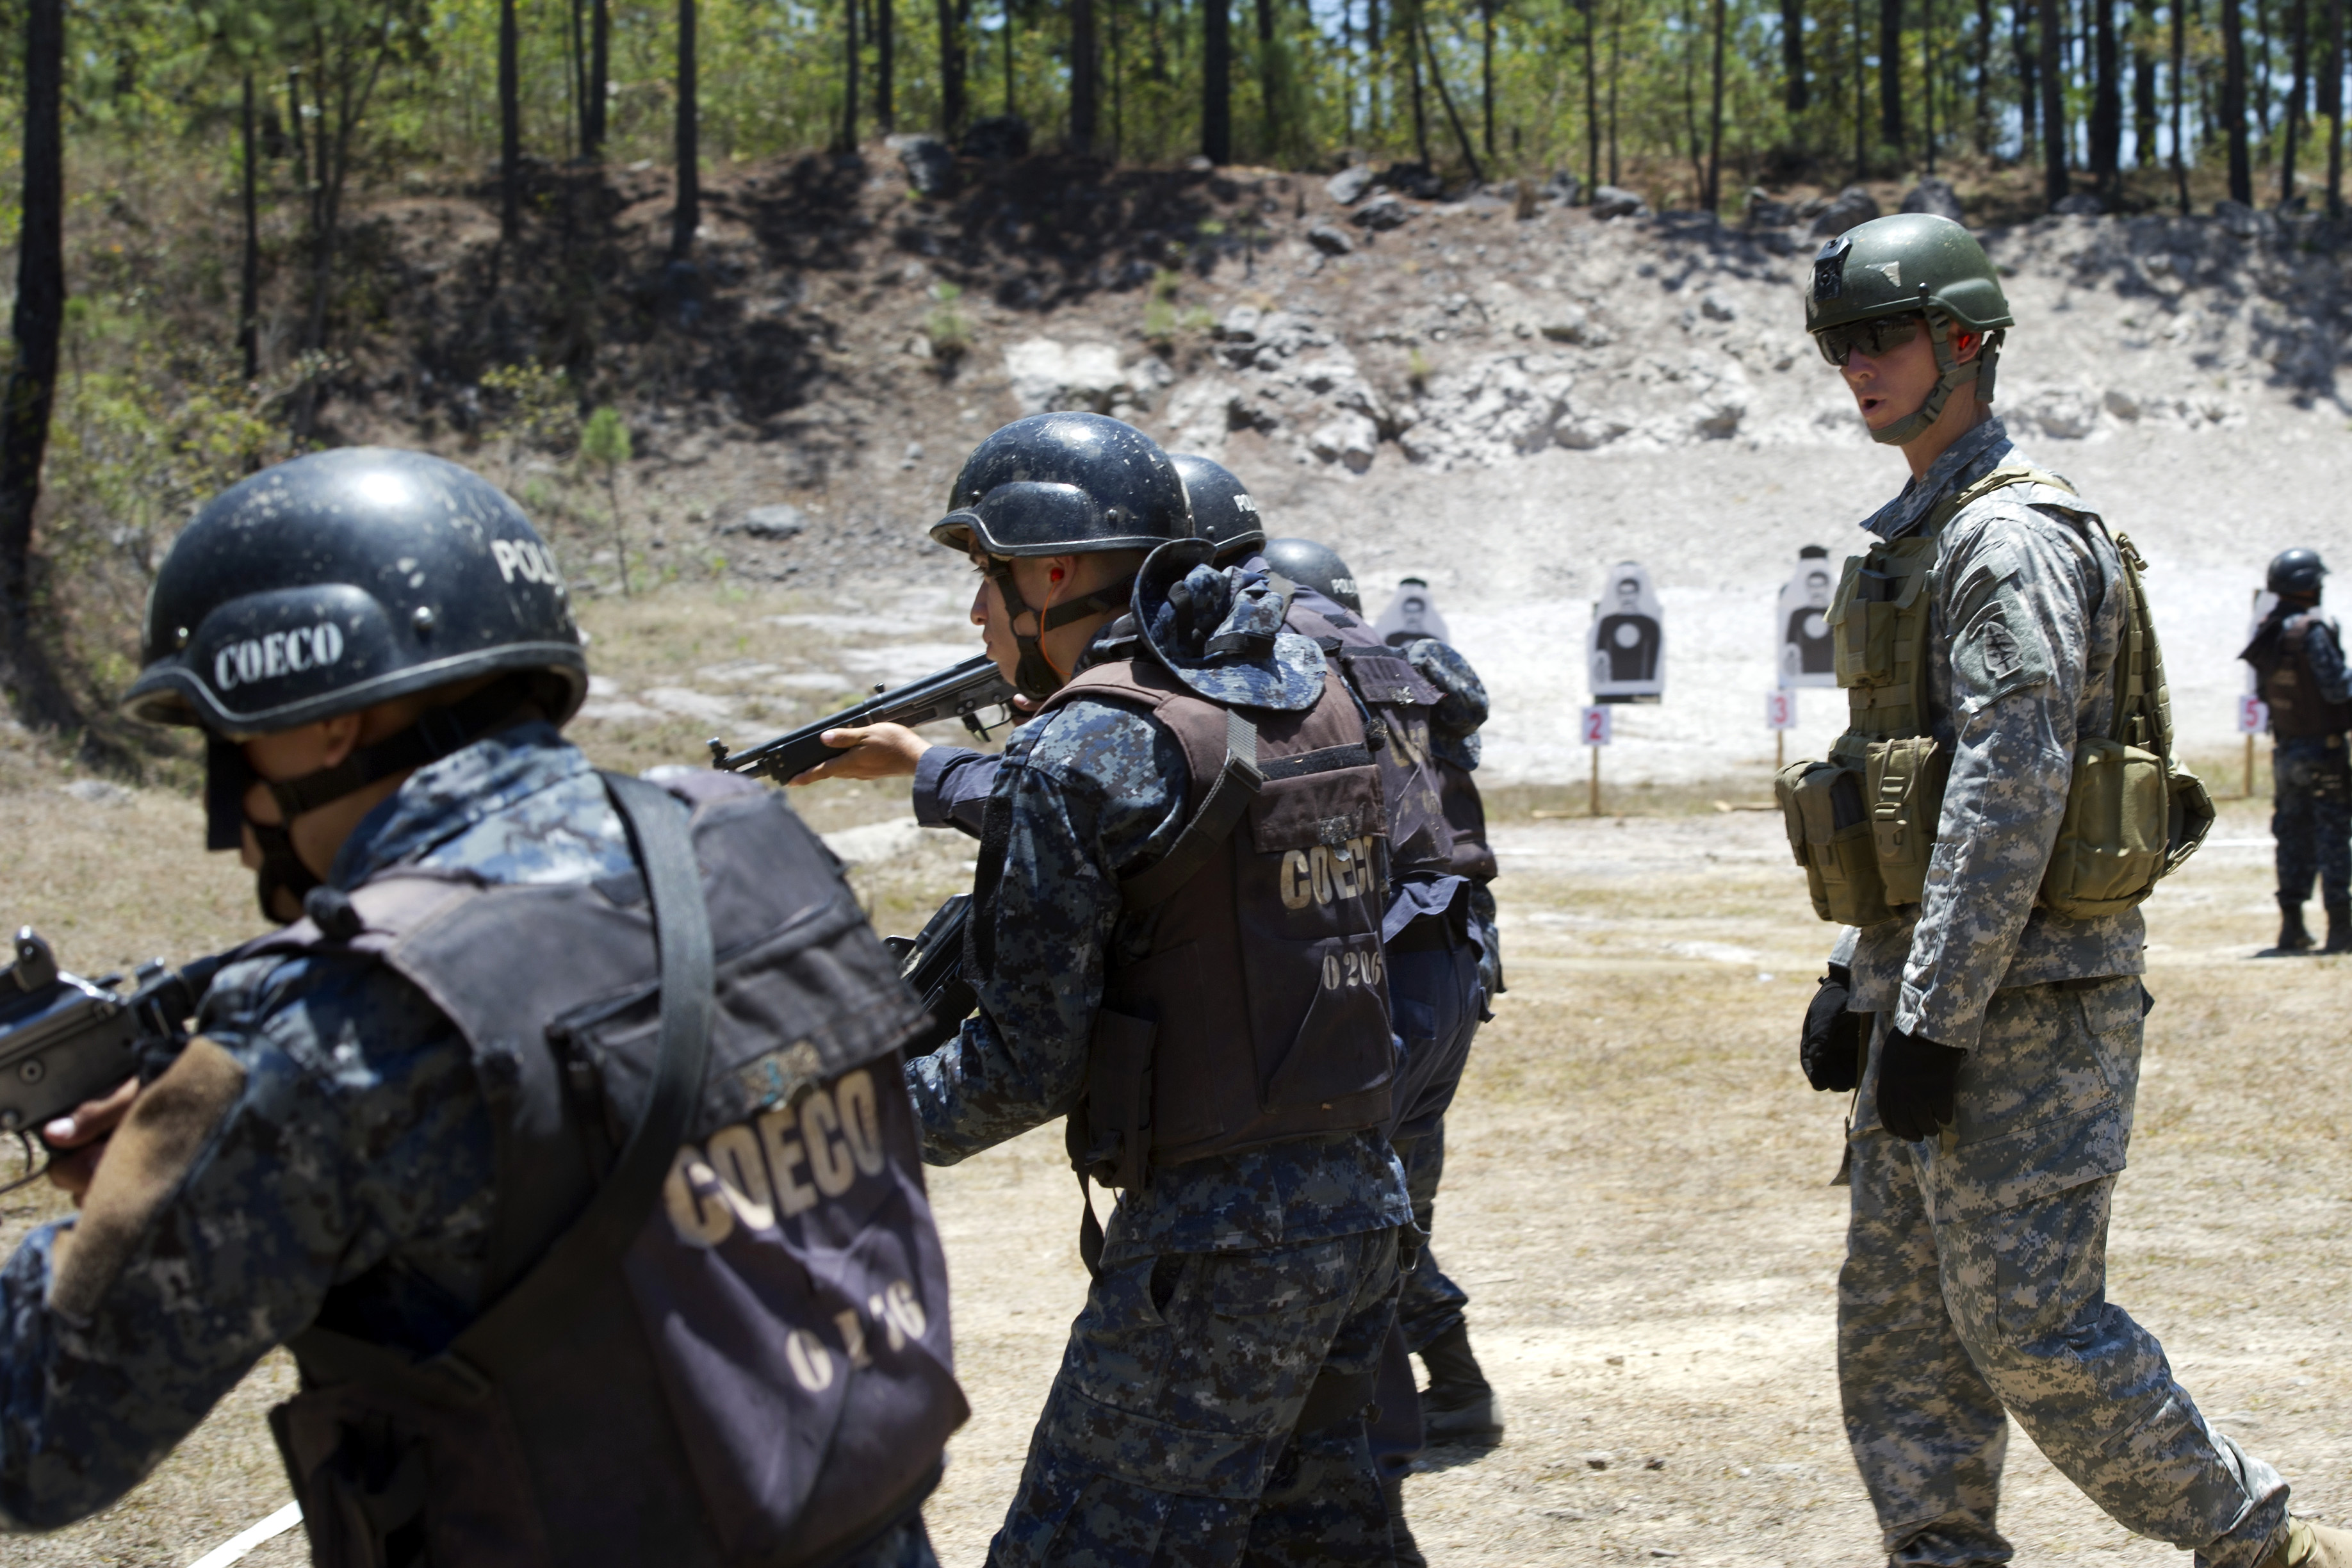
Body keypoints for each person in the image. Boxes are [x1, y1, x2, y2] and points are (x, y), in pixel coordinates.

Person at [0, 448, 963, 1565]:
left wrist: (123, 1200)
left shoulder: (340, 1021)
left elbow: (40, 1439)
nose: (236, 794)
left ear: (325, 722)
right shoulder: (749, 850)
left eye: (233, 738)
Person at [1788, 214, 2346, 1568]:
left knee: (2033, 1327)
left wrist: (1930, 1018)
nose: (1857, 363)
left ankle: (2258, 1541)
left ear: (1966, 343)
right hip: (1938, 987)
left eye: (1885, 335)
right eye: (1839, 341)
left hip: (2026, 1008)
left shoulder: (2010, 537)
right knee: (1900, 1326)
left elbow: (2010, 786)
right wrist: (1865, 983)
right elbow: (1904, 788)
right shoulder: (1918, 537)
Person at [817, 412, 1412, 1563]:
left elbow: (1015, 1064)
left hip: (1215, 1241)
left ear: (1049, 571)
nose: (974, 614)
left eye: (985, 580)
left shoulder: (1081, 747)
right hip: (1359, 1203)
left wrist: (849, 1125)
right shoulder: (1308, 694)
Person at [2241, 548, 2352, 954]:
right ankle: (2341, 930)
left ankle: (2292, 927)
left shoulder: (2269, 632)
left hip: (2286, 751)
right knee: (2332, 837)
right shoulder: (2310, 631)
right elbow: (2336, 688)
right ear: (2307, 587)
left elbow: (2262, 691)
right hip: (2323, 752)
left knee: (2292, 836)